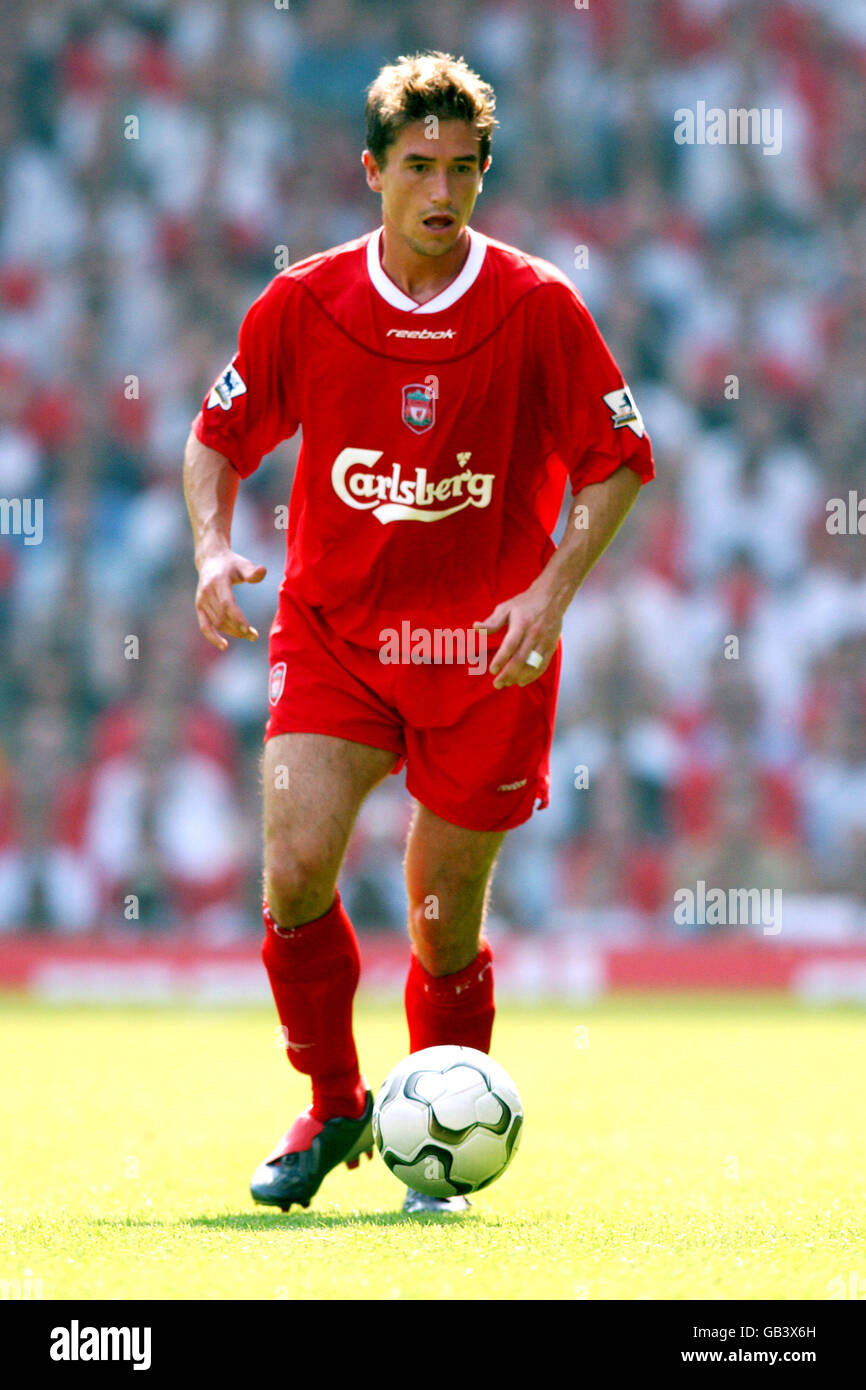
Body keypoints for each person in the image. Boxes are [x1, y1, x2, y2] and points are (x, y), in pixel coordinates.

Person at [183, 51, 654, 1214]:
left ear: (485, 175)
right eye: (415, 168)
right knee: (293, 866)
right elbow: (215, 436)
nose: (438, 192)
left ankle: (434, 1173)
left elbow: (619, 460)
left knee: (441, 922)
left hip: (484, 649)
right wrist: (210, 547)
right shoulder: (306, 302)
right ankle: (335, 1098)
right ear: (370, 173)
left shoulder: (538, 305)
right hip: (339, 634)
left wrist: (547, 593)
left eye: (460, 169)